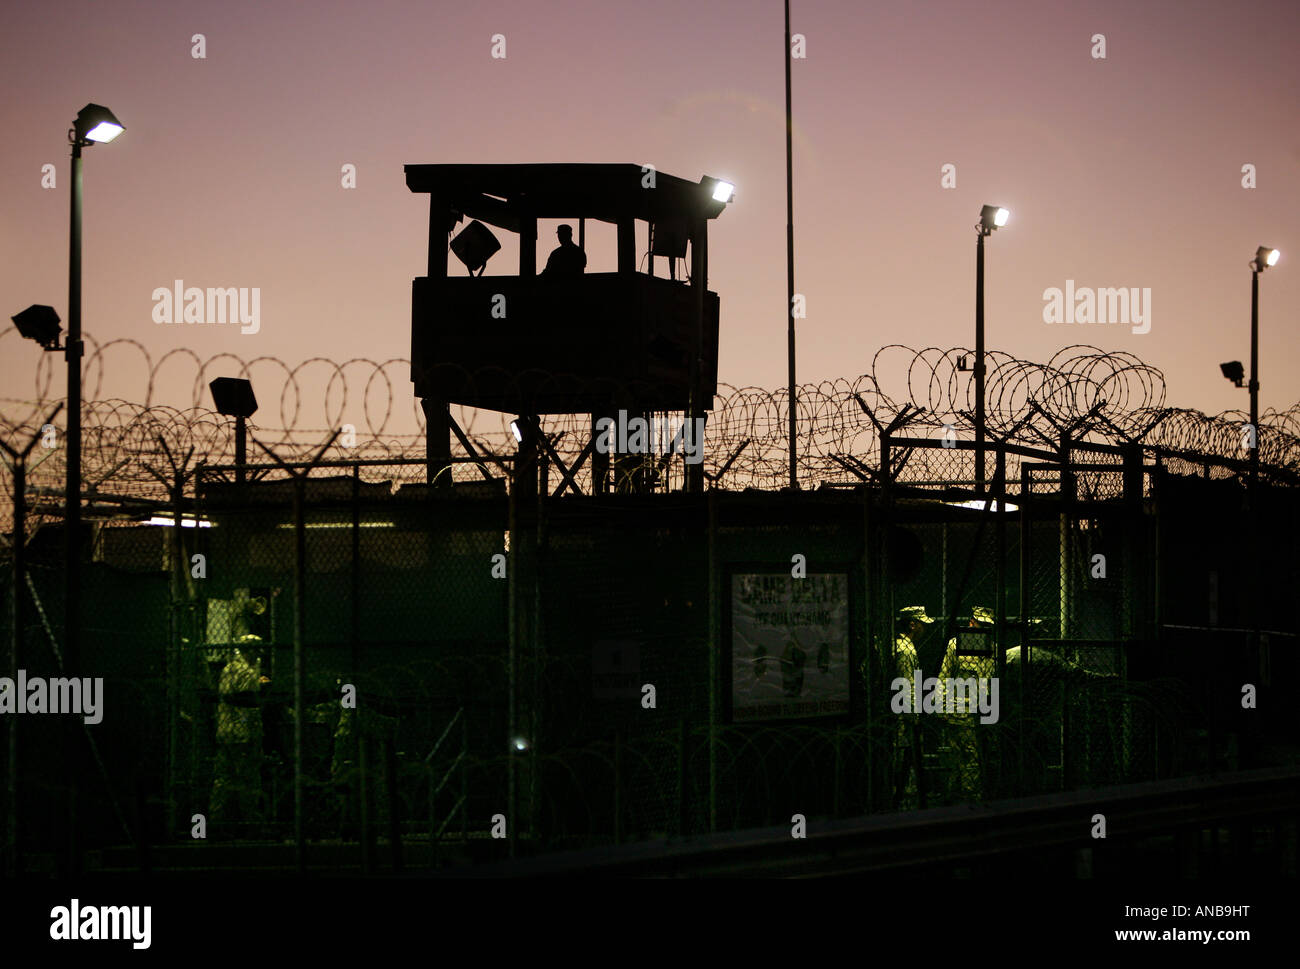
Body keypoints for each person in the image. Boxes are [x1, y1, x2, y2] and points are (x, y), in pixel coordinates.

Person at [211, 635, 270, 834]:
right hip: (241, 733)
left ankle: (217, 821)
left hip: (230, 731)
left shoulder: (236, 669)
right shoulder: (241, 670)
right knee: (247, 779)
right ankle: (249, 823)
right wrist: (261, 697)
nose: (259, 653)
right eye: (256, 649)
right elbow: (239, 698)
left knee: (225, 778)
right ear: (248, 650)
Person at [937, 606, 998, 802]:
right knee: (968, 757)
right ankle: (971, 798)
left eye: (987, 626)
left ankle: (954, 796)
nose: (984, 629)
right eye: (981, 624)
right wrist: (941, 707)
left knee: (969, 758)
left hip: (983, 712)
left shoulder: (992, 647)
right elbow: (944, 677)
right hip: (960, 711)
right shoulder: (955, 645)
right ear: (972, 623)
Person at [892, 605, 935, 809]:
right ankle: (905, 808)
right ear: (912, 624)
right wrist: (913, 720)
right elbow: (906, 687)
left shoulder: (894, 644)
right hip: (903, 721)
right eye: (921, 624)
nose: (924, 629)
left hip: (893, 716)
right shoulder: (906, 650)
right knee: (905, 766)